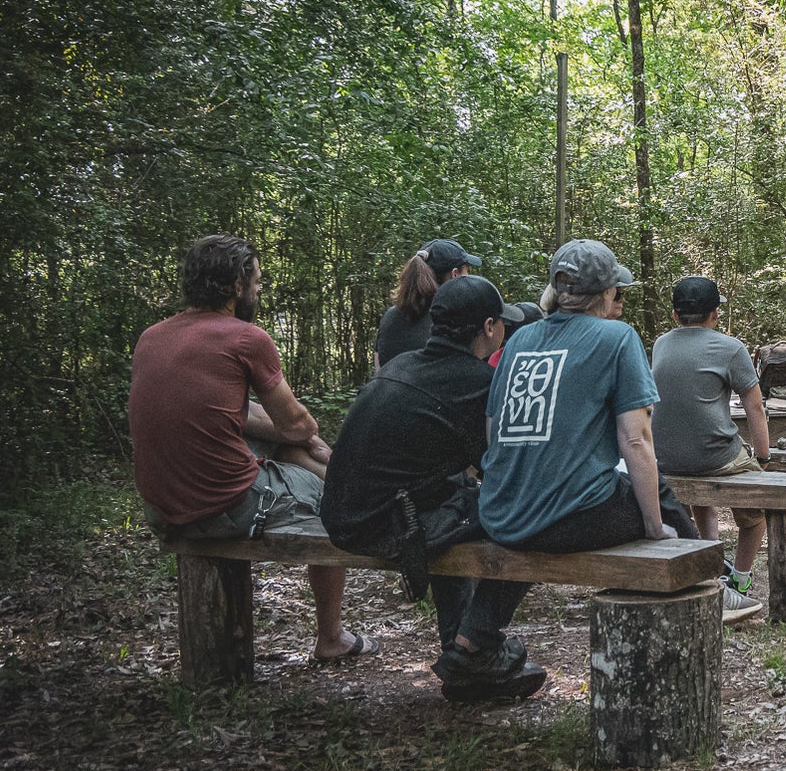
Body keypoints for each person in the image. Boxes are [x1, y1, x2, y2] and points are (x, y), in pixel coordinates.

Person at [128, 235, 373, 663]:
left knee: (285, 447)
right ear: (236, 285)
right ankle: (331, 638)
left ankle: (334, 475)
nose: (259, 290)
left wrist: (294, 438)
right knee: (330, 498)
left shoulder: (152, 337)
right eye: (256, 282)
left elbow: (235, 414)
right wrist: (309, 438)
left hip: (161, 508)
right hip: (220, 507)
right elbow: (298, 424)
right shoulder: (246, 338)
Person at [321, 276, 549, 701]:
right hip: (387, 524)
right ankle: (475, 647)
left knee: (457, 501)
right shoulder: (477, 382)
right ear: (488, 328)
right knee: (532, 515)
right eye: (502, 321)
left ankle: (464, 658)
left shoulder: (402, 364)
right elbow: (502, 471)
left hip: (342, 513)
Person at [479, 240, 696, 555]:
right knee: (660, 500)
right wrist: (653, 526)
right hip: (571, 520)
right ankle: (711, 574)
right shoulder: (618, 337)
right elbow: (636, 440)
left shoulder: (519, 339)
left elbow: (493, 428)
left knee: (617, 488)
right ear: (608, 291)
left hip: (501, 516)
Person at [651, 275, 770, 626]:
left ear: (675, 315)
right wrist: (763, 457)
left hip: (666, 458)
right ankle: (740, 579)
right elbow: (754, 406)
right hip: (715, 457)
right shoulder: (730, 348)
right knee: (756, 515)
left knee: (701, 496)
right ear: (715, 314)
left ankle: (710, 564)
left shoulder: (660, 345)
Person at [375, 239, 480, 369]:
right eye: (466, 272)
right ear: (455, 275)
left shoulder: (389, 317)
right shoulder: (455, 321)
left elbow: (379, 370)